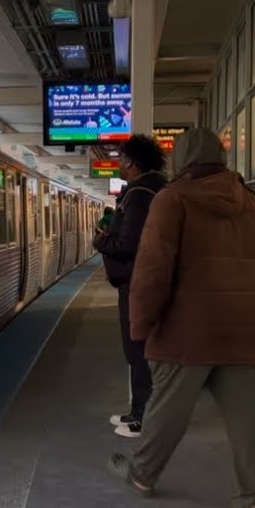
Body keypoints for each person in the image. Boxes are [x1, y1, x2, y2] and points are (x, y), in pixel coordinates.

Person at [106, 127, 255, 508]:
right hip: (243, 330)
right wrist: (242, 284)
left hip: (186, 331)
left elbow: (152, 272)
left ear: (184, 159)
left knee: (166, 410)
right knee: (250, 419)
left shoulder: (173, 200)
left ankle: (141, 475)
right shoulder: (252, 202)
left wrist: (141, 326)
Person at [93, 134, 168, 438]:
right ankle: (139, 410)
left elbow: (128, 244)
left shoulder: (138, 196)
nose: (120, 167)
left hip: (137, 284)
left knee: (137, 350)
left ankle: (142, 417)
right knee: (141, 349)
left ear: (133, 163)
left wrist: (100, 239)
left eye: (122, 161)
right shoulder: (153, 190)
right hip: (144, 281)